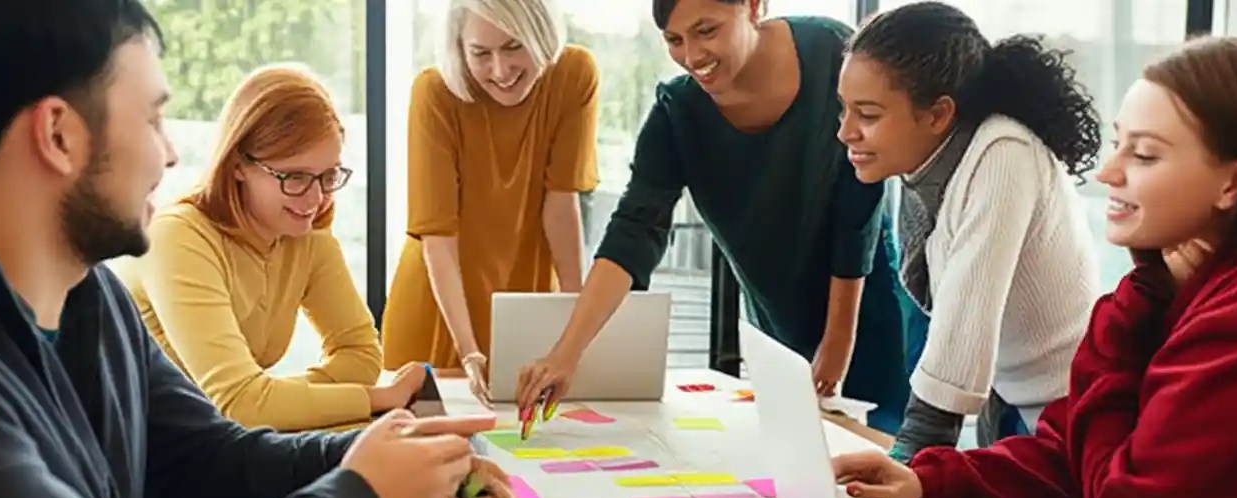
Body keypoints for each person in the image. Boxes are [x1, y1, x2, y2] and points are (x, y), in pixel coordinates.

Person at [0, 2, 523, 498]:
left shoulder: (94, 305)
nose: (169, 153)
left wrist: (386, 461)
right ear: (57, 134)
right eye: (150, 119)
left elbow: (207, 461)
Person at [832, 36, 1237, 498]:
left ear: (1233, 183)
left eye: (1145, 154)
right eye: (1118, 144)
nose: (1109, 173)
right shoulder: (1181, 287)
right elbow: (1068, 453)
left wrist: (1132, 306)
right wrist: (928, 481)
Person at [515, 0, 910, 432]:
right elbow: (633, 231)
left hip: (860, 303)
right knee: (799, 454)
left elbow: (858, 210)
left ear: (753, 6)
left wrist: (837, 341)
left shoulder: (833, 53)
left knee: (882, 450)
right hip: (775, 312)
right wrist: (565, 354)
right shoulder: (677, 113)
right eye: (674, 40)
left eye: (707, 30)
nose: (692, 55)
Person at [836, 1, 1102, 462]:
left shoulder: (1004, 153)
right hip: (1011, 400)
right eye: (844, 110)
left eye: (869, 114)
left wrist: (910, 458)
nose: (845, 132)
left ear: (938, 114)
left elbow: (966, 314)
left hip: (1063, 417)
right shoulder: (926, 166)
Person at [114, 64, 421, 432]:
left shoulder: (306, 232)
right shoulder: (179, 237)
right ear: (239, 164)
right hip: (144, 453)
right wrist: (374, 397)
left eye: (328, 176)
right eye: (295, 177)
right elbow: (240, 405)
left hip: (217, 444)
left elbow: (361, 357)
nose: (316, 198)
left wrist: (273, 398)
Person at [381, 0, 599, 406]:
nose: (501, 71)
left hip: (523, 297)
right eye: (481, 53)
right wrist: (468, 351)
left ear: (541, 33)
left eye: (514, 46)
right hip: (439, 304)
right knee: (427, 455)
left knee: (527, 458)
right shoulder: (434, 93)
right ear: (460, 47)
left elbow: (561, 204)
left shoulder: (574, 76)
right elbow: (438, 237)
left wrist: (576, 334)